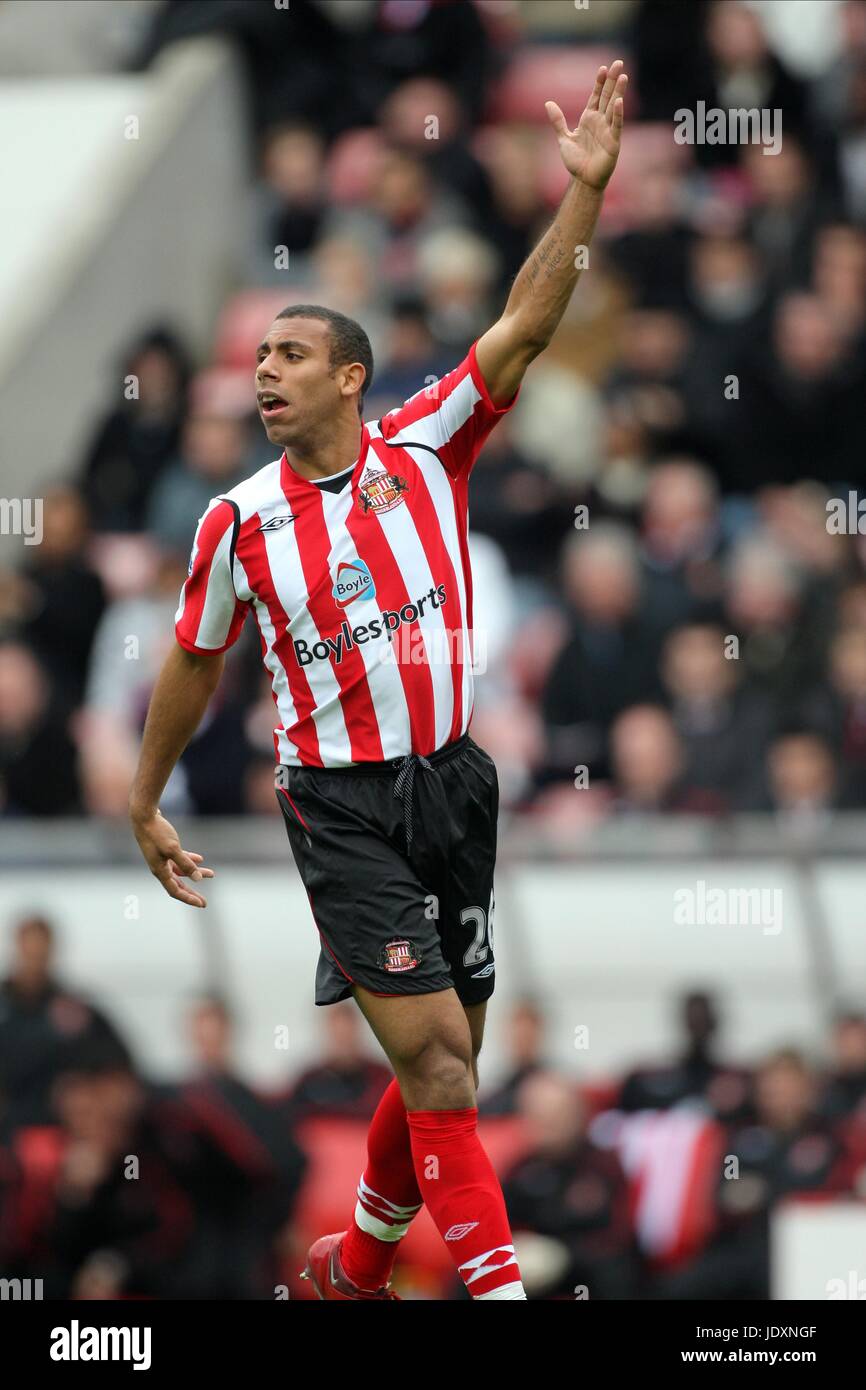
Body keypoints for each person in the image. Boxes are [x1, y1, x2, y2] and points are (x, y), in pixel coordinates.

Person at [129, 60, 630, 1302]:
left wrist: (582, 196)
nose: (263, 372)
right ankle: (495, 1290)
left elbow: (524, 322)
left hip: (453, 785)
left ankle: (349, 1268)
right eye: (257, 357)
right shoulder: (235, 524)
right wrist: (146, 797)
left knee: (436, 1059)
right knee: (446, 1066)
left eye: (291, 354)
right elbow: (192, 661)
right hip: (340, 806)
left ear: (351, 377)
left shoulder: (427, 445)